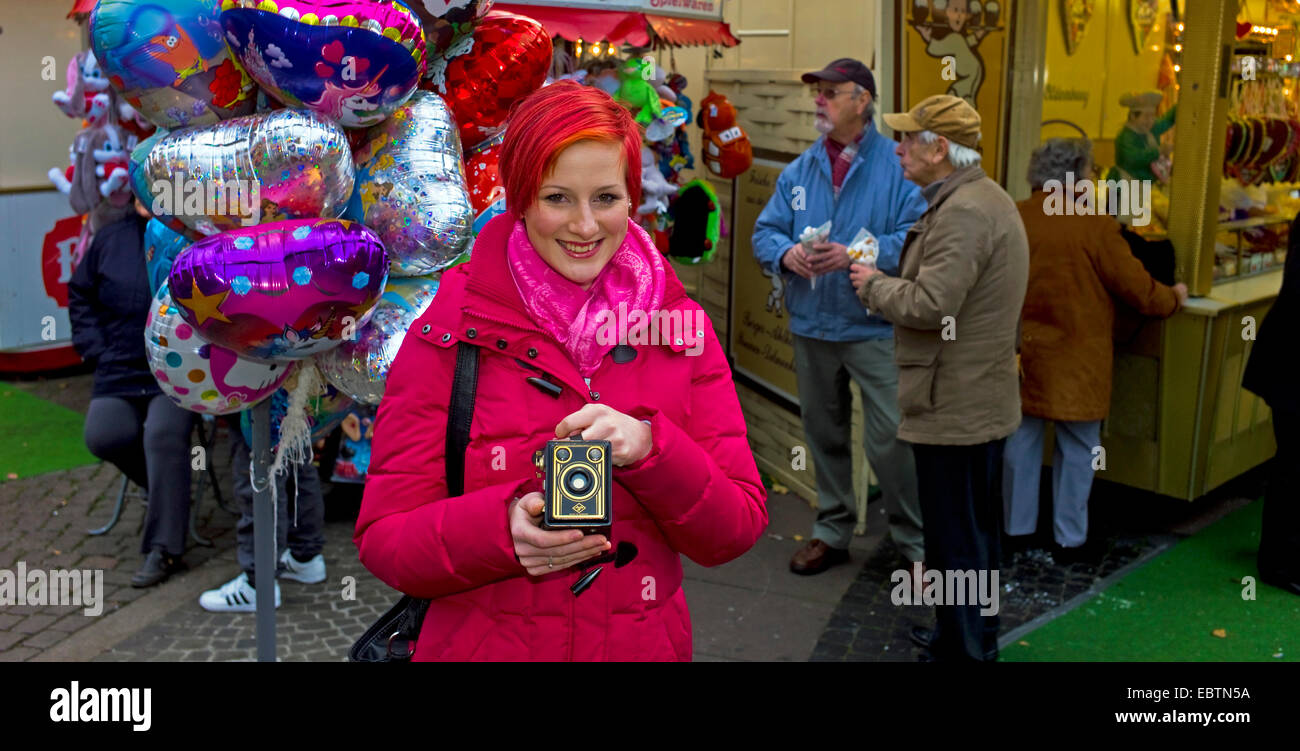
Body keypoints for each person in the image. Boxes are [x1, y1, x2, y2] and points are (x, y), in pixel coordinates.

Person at [354, 81, 768, 661]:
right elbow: (385, 540)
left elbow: (735, 529)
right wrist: (500, 534)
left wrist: (653, 450)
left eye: (606, 197)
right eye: (557, 198)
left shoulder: (681, 331)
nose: (584, 226)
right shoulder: (450, 330)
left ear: (632, 199)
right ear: (520, 198)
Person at [851, 94, 1028, 661]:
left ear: (940, 148)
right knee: (967, 536)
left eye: (909, 139)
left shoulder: (966, 210)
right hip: (967, 397)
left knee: (959, 539)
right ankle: (965, 637)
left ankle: (966, 649)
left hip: (958, 403)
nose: (898, 148)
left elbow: (933, 304)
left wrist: (873, 285)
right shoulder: (972, 200)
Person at [752, 58, 928, 575]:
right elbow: (766, 233)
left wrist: (854, 252)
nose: (819, 101)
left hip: (874, 326)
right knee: (823, 433)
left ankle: (913, 541)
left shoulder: (898, 165)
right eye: (818, 92)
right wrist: (787, 256)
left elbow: (915, 238)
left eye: (831, 92)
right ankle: (831, 529)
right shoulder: (800, 170)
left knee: (892, 438)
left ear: (863, 100)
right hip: (812, 325)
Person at [1004, 138, 1186, 563]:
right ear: (1075, 175)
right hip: (1077, 359)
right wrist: (1174, 297)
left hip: (1020, 354)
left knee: (1020, 444)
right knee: (1079, 449)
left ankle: (1015, 531)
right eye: (1089, 173)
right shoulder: (1095, 225)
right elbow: (1140, 291)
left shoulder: (1014, 215)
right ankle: (1069, 540)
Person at [68, 200, 195, 588]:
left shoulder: (189, 235)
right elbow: (80, 294)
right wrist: (94, 347)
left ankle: (164, 548)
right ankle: (166, 490)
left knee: (162, 436)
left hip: (175, 369)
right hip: (119, 366)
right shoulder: (110, 238)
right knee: (103, 435)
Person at [197, 417, 327, 612]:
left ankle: (258, 583)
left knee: (261, 457)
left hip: (257, 398)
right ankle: (304, 556)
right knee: (295, 448)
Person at [1243, 219, 1299, 597]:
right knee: (1294, 463)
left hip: (1288, 363)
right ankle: (1281, 561)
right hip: (1293, 365)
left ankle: (1283, 556)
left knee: (1293, 462)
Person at [1113, 91, 1176, 184]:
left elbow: (1168, 120)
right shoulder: (1125, 136)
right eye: (1146, 116)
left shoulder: (1151, 128)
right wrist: (1159, 151)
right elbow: (1133, 158)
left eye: (1153, 116)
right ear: (1133, 116)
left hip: (1143, 185)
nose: (1150, 121)